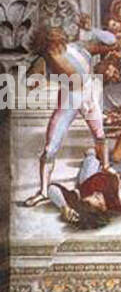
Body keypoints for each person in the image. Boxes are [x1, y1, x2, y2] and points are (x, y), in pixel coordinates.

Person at [22, 26, 110, 207]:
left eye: (57, 33)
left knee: (100, 135)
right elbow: (29, 83)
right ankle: (44, 191)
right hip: (68, 100)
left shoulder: (76, 47)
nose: (58, 34)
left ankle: (106, 170)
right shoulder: (44, 60)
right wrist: (41, 80)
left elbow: (104, 47)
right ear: (48, 41)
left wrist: (116, 48)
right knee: (50, 148)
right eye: (53, 34)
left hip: (88, 96)